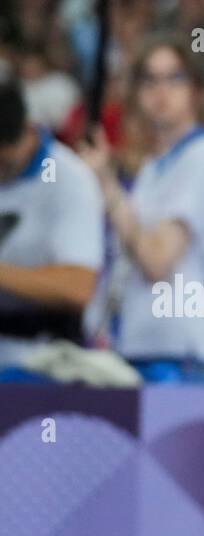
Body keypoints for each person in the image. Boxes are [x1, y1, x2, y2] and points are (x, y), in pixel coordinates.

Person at [79, 35, 204, 381]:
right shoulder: (152, 167)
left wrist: (108, 188)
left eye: (175, 78)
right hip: (139, 348)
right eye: (150, 80)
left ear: (196, 91)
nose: (161, 91)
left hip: (182, 357)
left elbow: (156, 260)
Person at [0, 75, 104, 372]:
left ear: (25, 131)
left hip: (42, 359)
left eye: (3, 162)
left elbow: (78, 287)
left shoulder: (70, 179)